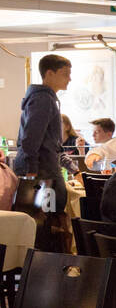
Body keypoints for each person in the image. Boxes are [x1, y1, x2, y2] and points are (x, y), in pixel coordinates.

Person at [14, 54, 72, 215]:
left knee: (48, 217)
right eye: (65, 74)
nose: (69, 79)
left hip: (43, 169)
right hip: (41, 171)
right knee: (46, 220)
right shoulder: (43, 100)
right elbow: (31, 138)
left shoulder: (44, 98)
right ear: (49, 73)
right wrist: (31, 171)